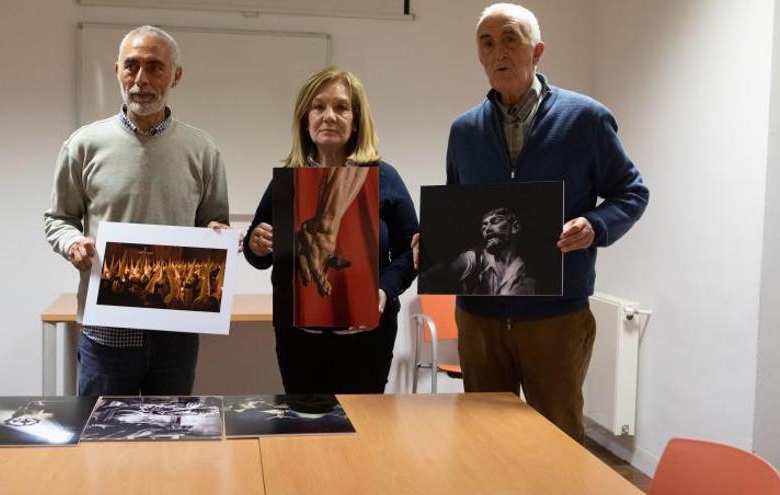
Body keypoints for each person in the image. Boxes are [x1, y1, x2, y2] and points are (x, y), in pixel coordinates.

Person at [413, 3, 649, 443]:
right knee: (484, 439)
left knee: (556, 439)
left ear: (537, 51)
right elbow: (459, 209)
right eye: (487, 43)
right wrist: (433, 240)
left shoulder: (585, 119)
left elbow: (632, 192)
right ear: (479, 56)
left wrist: (595, 225)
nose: (498, 51)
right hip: (480, 319)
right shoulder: (464, 130)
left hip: (555, 315)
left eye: (510, 39)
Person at [44, 25, 229, 397]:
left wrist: (218, 236)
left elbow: (214, 221)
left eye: (155, 67)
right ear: (117, 71)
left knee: (171, 428)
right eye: (131, 66)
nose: (141, 79)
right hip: (106, 331)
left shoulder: (202, 150)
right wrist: (72, 244)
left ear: (175, 75)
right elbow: (59, 219)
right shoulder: (84, 144)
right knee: (101, 428)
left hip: (176, 330)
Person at [244, 67, 418, 394]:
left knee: (362, 422)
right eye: (318, 107)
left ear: (356, 120)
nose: (329, 116)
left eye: (341, 107)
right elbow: (260, 254)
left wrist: (384, 290)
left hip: (367, 337)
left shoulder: (384, 178)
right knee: (303, 420)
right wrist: (257, 244)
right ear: (305, 118)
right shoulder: (288, 179)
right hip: (299, 338)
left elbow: (411, 252)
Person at [421, 206, 537, 295]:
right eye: (484, 225)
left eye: (495, 221)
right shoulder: (477, 257)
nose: (487, 229)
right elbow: (449, 270)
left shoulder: (529, 273)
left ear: (515, 227)